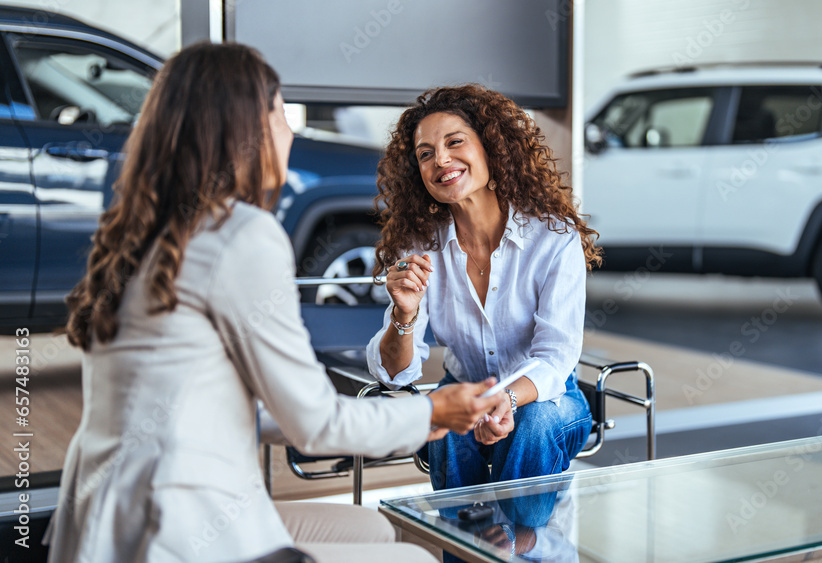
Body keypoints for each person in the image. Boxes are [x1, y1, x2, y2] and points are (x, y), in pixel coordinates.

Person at [44, 43, 503, 563]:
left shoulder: (144, 232)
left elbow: (211, 404)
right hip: (174, 527)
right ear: (247, 130)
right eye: (282, 115)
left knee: (372, 531)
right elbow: (316, 426)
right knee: (414, 560)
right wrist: (431, 410)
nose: (291, 132)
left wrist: (409, 413)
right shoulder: (241, 235)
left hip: (107, 520)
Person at [365, 85, 602, 494]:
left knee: (535, 424)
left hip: (547, 399)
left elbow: (555, 357)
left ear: (493, 148)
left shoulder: (553, 239)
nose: (440, 159)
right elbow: (395, 373)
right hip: (465, 389)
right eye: (425, 153)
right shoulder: (420, 248)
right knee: (448, 421)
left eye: (455, 142)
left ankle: (524, 549)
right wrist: (403, 315)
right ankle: (467, 548)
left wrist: (504, 400)